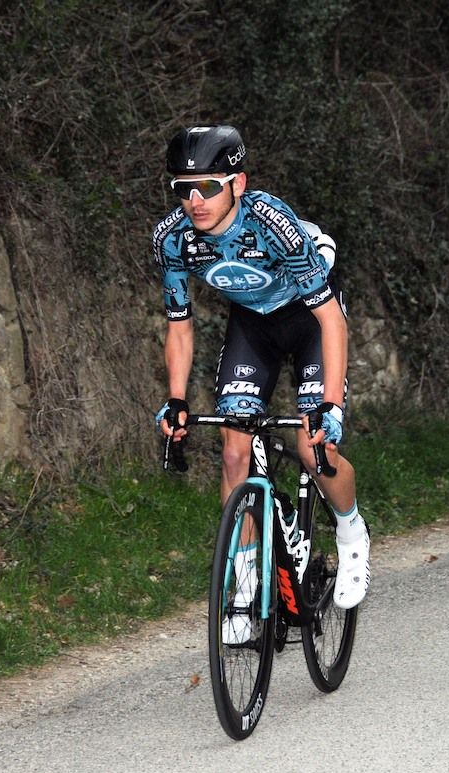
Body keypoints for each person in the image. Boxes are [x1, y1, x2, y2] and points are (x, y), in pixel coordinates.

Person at [152, 125, 369, 644]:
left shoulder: (274, 225)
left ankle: (349, 527)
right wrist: (177, 399)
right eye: (183, 188)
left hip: (310, 321)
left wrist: (331, 407)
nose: (194, 200)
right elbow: (179, 325)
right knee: (233, 451)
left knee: (311, 445)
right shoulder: (172, 239)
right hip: (253, 325)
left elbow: (332, 321)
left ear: (238, 183)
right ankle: (246, 591)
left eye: (207, 186)